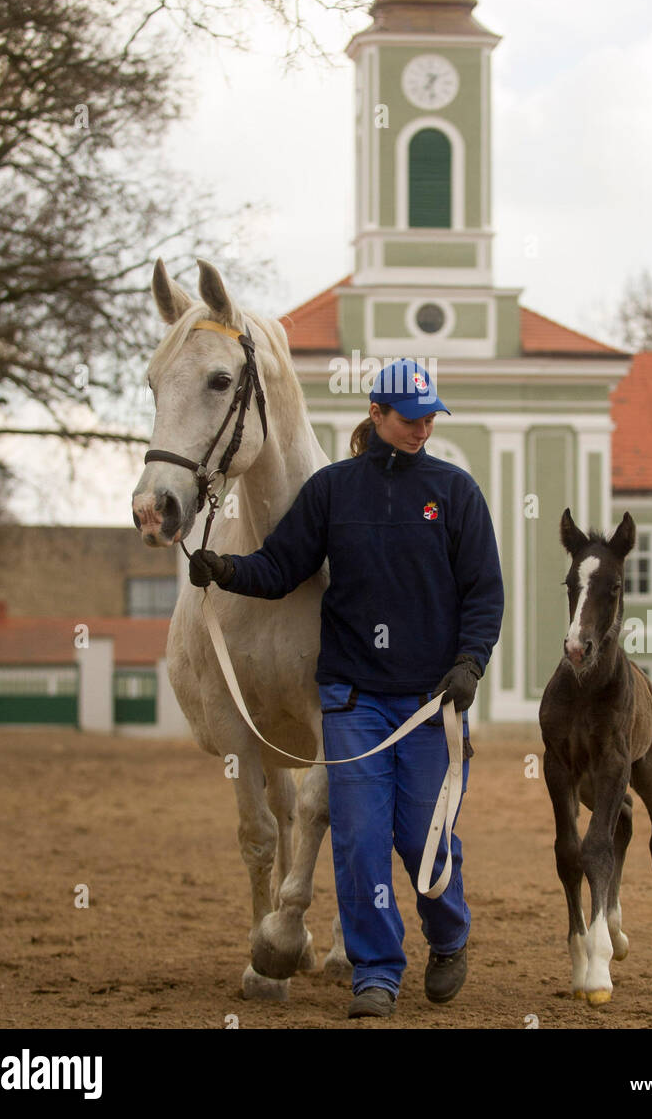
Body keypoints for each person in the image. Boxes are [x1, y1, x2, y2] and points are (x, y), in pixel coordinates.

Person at [189, 358, 504, 1019]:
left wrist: (471, 662)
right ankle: (377, 973)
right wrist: (224, 568)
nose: (423, 428)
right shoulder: (333, 491)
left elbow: (483, 592)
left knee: (423, 840)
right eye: (410, 417)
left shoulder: (455, 493)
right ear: (377, 413)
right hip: (353, 700)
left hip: (429, 704)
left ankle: (449, 936)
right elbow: (281, 567)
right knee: (358, 843)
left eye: (429, 417)